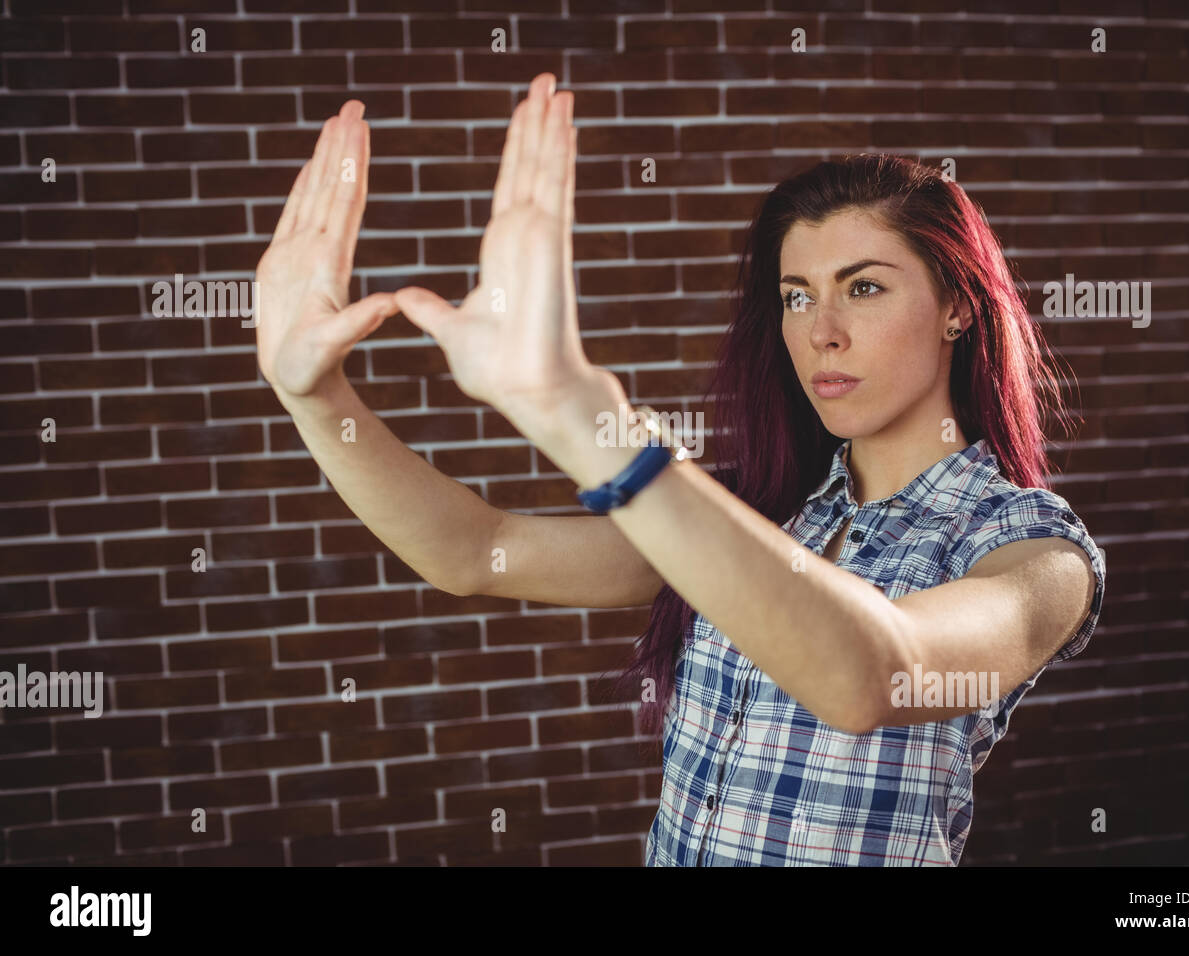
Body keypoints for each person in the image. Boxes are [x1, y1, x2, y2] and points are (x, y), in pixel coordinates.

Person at [254, 73, 1105, 866]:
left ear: (959, 304)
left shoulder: (1034, 552)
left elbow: (872, 673)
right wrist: (318, 399)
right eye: (798, 294)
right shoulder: (751, 511)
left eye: (866, 288)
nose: (821, 331)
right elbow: (476, 550)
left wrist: (585, 418)